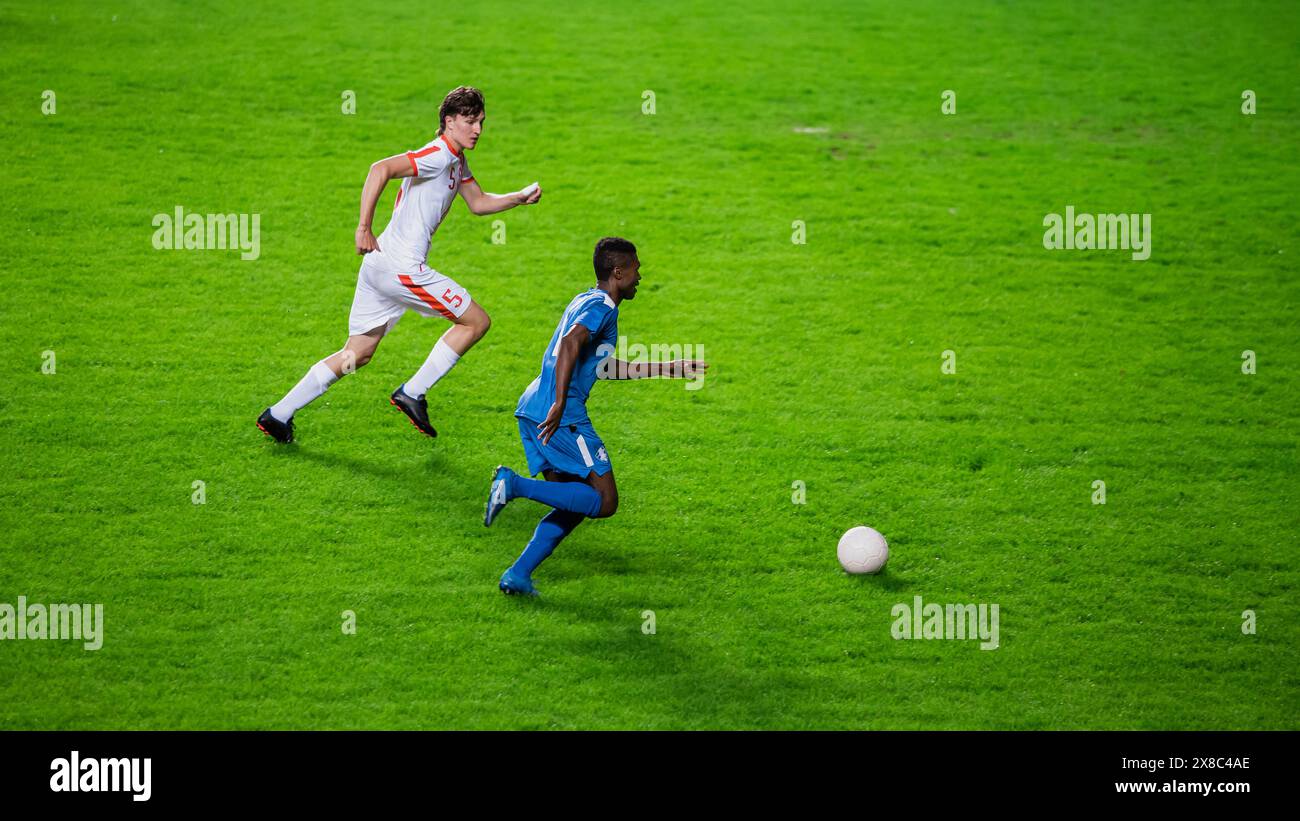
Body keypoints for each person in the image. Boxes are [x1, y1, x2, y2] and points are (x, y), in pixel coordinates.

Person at [257, 86, 542, 444]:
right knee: (476, 321)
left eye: (481, 122)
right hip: (401, 268)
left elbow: (479, 202)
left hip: (379, 266)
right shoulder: (437, 155)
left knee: (357, 353)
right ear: (449, 122)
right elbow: (380, 169)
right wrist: (363, 226)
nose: (478, 130)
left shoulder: (457, 160)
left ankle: (278, 414)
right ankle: (413, 392)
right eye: (470, 122)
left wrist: (518, 198)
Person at [483, 237, 708, 596]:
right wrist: (559, 403)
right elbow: (571, 343)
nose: (640, 276)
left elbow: (600, 365)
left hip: (533, 406)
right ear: (618, 272)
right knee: (604, 501)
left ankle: (518, 575)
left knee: (572, 500)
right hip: (561, 415)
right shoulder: (603, 307)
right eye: (636, 269)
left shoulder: (585, 298)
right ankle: (514, 485)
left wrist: (668, 368)